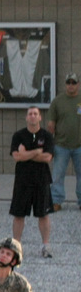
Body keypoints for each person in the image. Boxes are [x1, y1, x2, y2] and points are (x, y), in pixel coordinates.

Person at [10, 107, 54, 258]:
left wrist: (26, 153)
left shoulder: (47, 136)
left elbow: (48, 157)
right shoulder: (18, 136)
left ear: (40, 117)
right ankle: (16, 247)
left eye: (36, 114)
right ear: (26, 117)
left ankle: (45, 246)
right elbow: (16, 156)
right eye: (30, 114)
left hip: (41, 180)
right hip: (23, 180)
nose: (33, 116)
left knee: (43, 214)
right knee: (18, 215)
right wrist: (36, 152)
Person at [46, 72, 81, 211]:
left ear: (78, 84)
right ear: (65, 84)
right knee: (58, 175)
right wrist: (50, 146)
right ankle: (56, 201)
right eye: (69, 83)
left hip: (80, 146)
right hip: (61, 145)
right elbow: (50, 125)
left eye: (74, 82)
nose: (71, 85)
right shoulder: (58, 101)